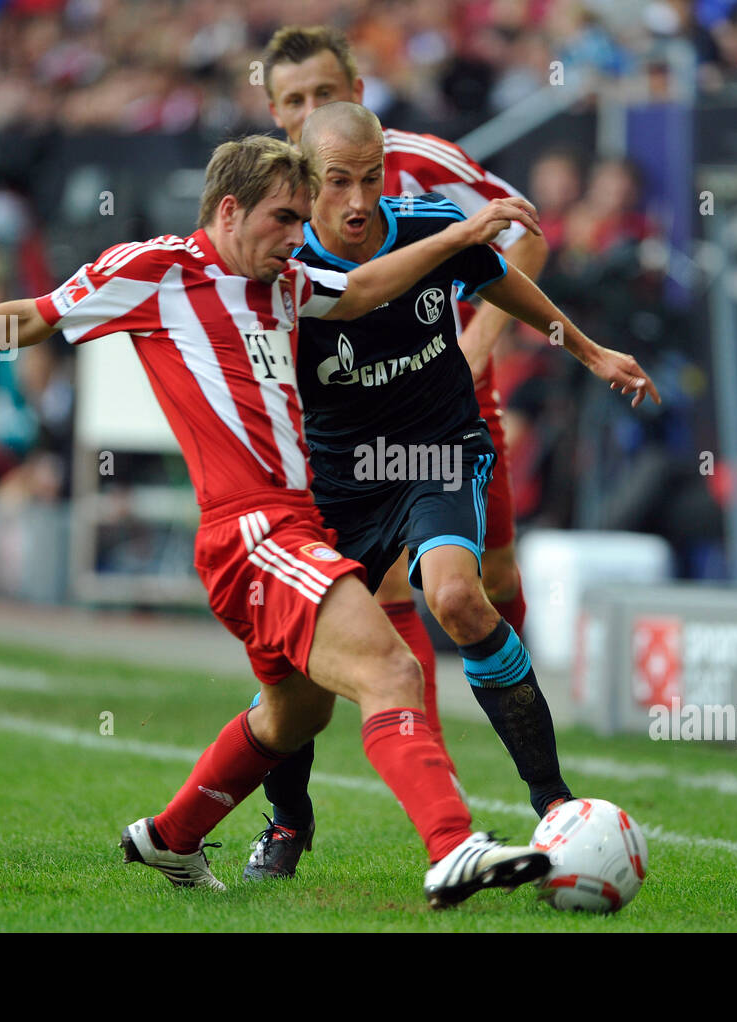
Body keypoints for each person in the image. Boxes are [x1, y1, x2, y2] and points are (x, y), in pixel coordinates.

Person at [0, 135, 573, 908]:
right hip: (252, 534)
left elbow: (357, 292)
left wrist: (455, 238)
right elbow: (29, 320)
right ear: (229, 209)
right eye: (285, 218)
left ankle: (172, 837)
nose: (297, 236)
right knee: (393, 670)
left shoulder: (285, 281)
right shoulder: (154, 272)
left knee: (296, 713)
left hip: (296, 527)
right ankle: (453, 847)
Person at [240, 102, 660, 881]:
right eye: (339, 183)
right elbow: (363, 290)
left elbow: (500, 281)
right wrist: (462, 234)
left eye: (372, 179)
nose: (359, 200)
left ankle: (554, 806)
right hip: (341, 478)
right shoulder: (287, 268)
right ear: (307, 181)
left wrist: (593, 352)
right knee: (299, 682)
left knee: (460, 600)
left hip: (436, 452)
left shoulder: (427, 222)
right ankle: (289, 821)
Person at [253, 24, 551, 872]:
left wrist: (480, 341)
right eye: (295, 102)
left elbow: (522, 236)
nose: (313, 109)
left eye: (325, 92)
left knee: (484, 585)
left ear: (357, 88)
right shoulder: (275, 198)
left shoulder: (424, 159)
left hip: (447, 396)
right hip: (346, 435)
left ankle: (534, 767)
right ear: (276, 114)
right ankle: (415, 791)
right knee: (365, 605)